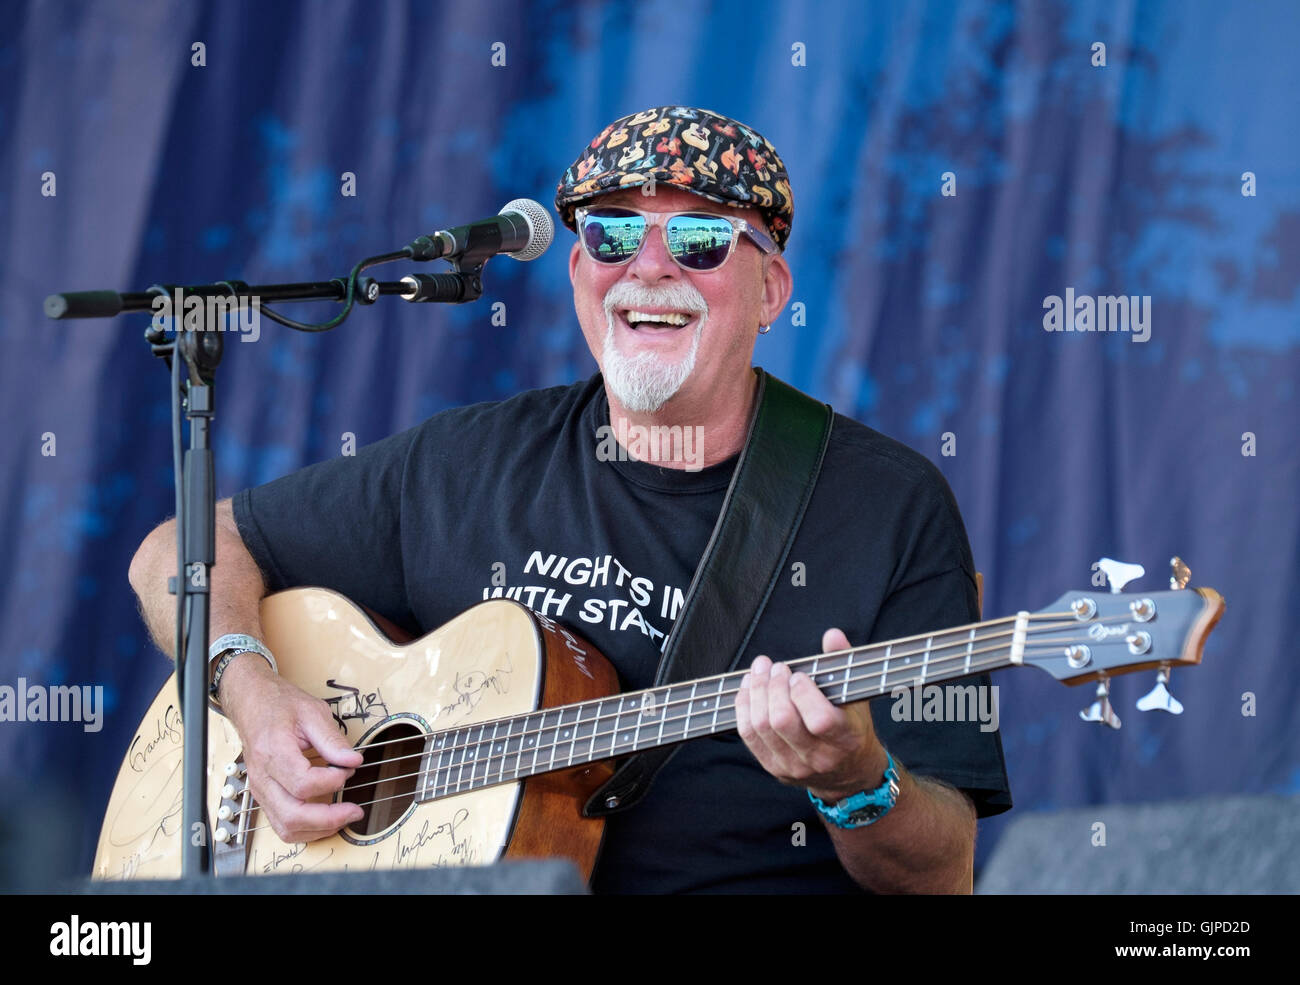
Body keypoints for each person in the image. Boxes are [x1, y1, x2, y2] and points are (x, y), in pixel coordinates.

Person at [129, 105, 1011, 894]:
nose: (650, 267)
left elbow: (942, 874)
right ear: (579, 272)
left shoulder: (887, 505)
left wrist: (854, 781)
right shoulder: (466, 460)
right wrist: (250, 691)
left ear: (771, 291)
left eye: (701, 240)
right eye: (614, 236)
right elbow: (174, 551)